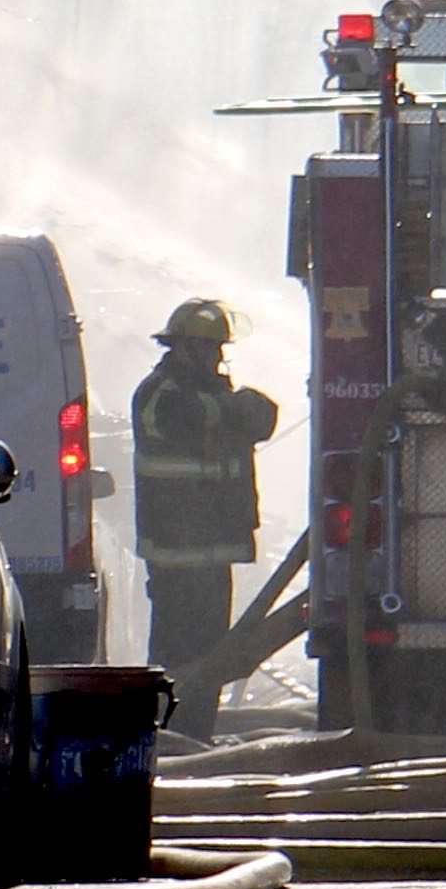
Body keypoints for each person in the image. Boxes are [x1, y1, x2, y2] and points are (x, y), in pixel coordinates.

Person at [131, 298, 283, 737]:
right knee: (176, 654)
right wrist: (234, 408)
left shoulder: (213, 394)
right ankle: (165, 736)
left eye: (220, 350)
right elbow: (192, 418)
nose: (218, 359)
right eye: (211, 350)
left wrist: (239, 407)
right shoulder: (159, 393)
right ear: (184, 348)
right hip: (176, 556)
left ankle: (196, 735)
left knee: (211, 654)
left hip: (213, 554)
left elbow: (258, 419)